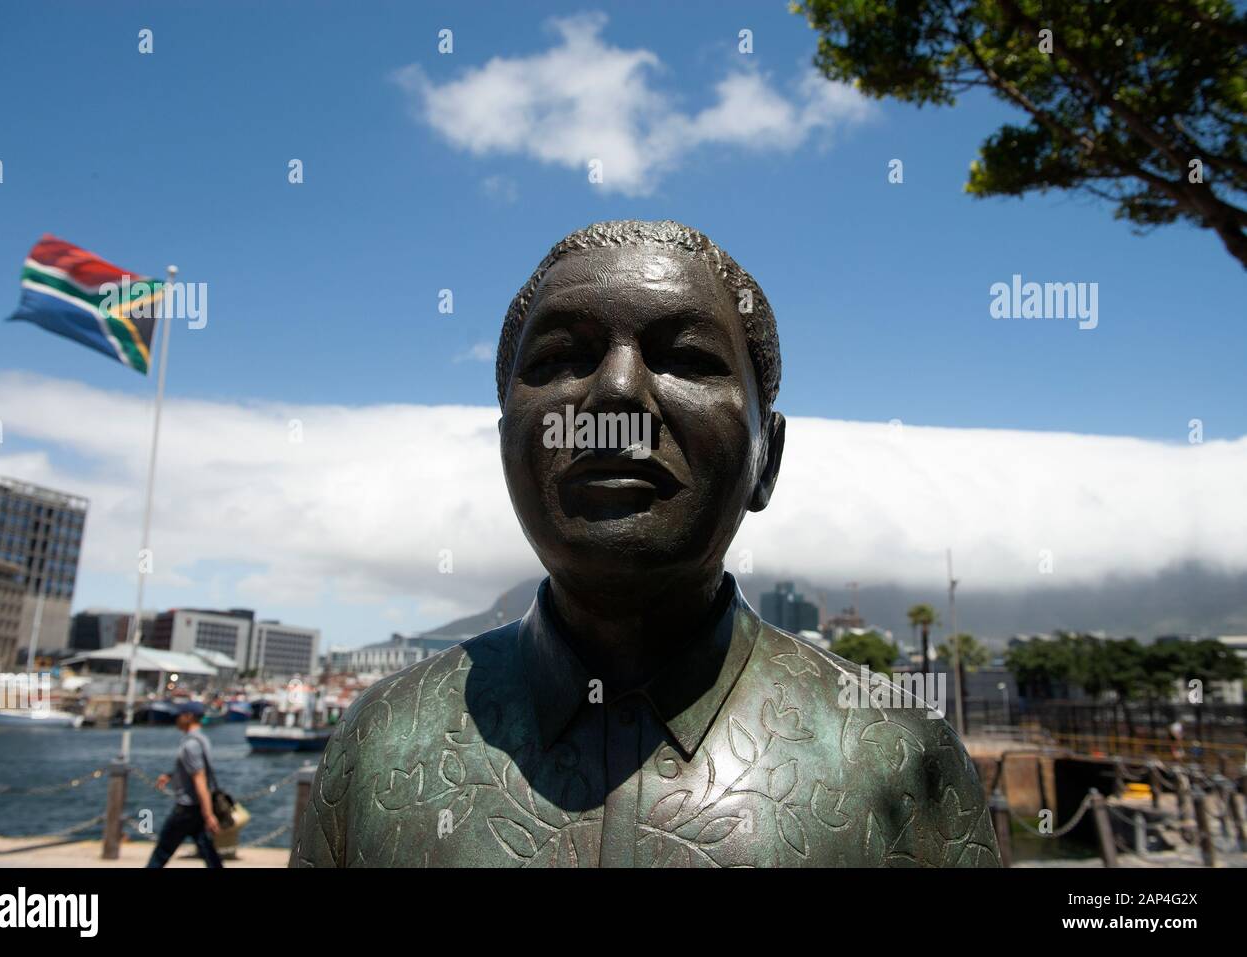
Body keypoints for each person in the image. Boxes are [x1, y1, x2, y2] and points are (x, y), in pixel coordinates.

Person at [293, 220, 999, 867]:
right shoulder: (379, 741)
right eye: (563, 356)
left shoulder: (900, 752)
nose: (617, 395)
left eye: (687, 358)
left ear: (768, 460)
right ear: (506, 437)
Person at [147, 709, 224, 868]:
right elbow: (196, 771)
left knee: (162, 852)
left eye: (179, 715)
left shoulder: (191, 745)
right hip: (196, 809)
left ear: (189, 716)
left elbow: (200, 779)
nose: (176, 719)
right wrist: (171, 775)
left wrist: (208, 814)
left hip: (187, 808)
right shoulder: (202, 739)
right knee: (208, 852)